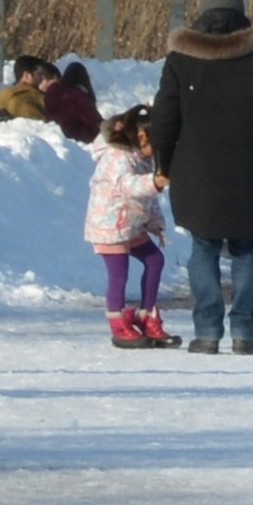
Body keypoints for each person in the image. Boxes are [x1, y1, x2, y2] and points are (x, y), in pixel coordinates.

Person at [149, 0, 253, 353]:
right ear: (241, 11)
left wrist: (166, 164)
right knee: (247, 249)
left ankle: (207, 331)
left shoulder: (181, 60)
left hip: (197, 172)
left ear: (202, 11)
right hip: (251, 171)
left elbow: (163, 121)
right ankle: (244, 332)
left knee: (203, 249)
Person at [82, 107, 171, 345]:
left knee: (155, 260)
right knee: (118, 273)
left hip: (131, 224)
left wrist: (155, 223)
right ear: (142, 137)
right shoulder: (117, 157)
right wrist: (156, 181)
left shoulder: (143, 158)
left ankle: (147, 314)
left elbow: (148, 196)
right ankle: (117, 321)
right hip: (109, 225)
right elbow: (129, 186)